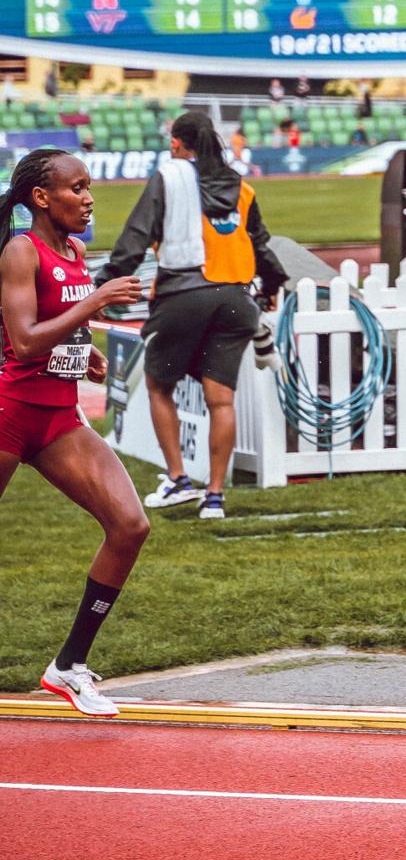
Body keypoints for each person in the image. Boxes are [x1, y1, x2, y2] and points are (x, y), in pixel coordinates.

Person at [1, 149, 149, 716]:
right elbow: (26, 339)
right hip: (11, 412)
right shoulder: (20, 249)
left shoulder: (75, 250)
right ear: (42, 197)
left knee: (130, 525)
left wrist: (83, 352)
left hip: (59, 417)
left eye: (89, 188)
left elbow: (59, 328)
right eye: (77, 188)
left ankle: (68, 667)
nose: (89, 199)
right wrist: (97, 301)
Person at [98, 113, 288, 520]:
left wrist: (106, 282)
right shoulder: (244, 188)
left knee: (158, 386)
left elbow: (135, 236)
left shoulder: (171, 179)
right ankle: (215, 497)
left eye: (173, 142)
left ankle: (178, 478)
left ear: (181, 144)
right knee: (221, 399)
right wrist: (271, 287)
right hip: (238, 300)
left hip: (185, 293)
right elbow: (260, 246)